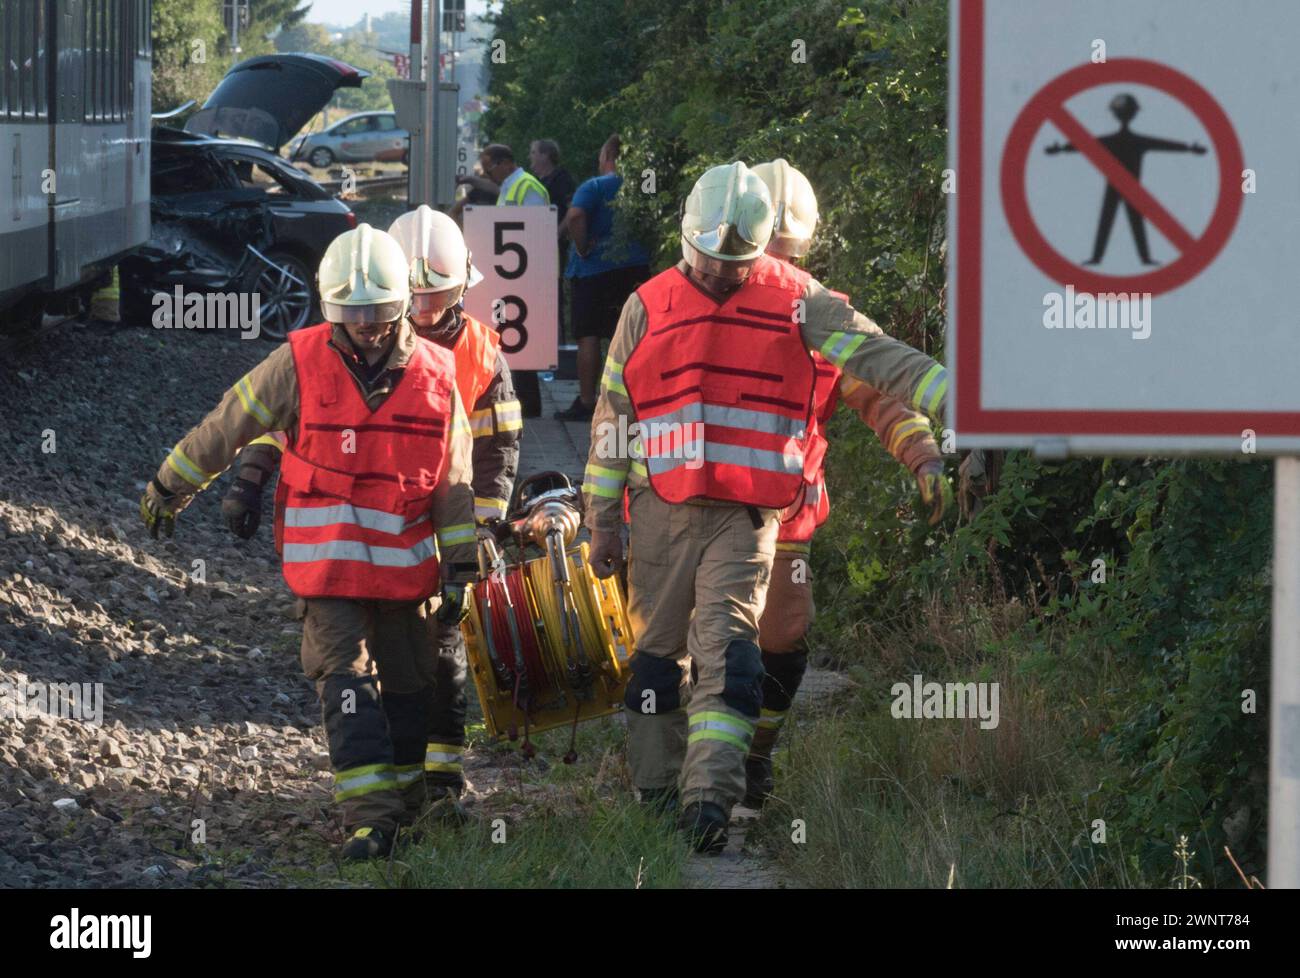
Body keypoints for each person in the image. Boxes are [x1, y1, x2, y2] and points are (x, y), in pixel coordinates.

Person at [581, 162, 951, 853]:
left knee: (749, 649)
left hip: (765, 510)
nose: (733, 274)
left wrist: (942, 428)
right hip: (666, 506)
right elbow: (615, 412)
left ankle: (722, 789)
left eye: (759, 258)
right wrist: (603, 515)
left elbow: (883, 374)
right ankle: (662, 794)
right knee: (660, 660)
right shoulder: (652, 303)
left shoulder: (808, 304)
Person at [141, 224, 478, 862]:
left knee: (408, 692)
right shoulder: (296, 361)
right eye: (353, 317)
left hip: (407, 578)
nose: (368, 328)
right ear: (330, 311)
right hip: (326, 575)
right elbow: (228, 424)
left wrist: (460, 567)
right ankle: (370, 823)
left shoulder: (438, 376)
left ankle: (404, 809)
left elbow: (452, 482)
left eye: (379, 314)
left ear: (402, 304)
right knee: (345, 685)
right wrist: (171, 484)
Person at [223, 207, 522, 815]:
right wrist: (250, 477)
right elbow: (288, 418)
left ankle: (437, 781)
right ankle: (387, 789)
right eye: (415, 296)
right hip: (365, 531)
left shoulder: (482, 356)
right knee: (370, 662)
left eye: (438, 295)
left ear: (463, 285)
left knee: (439, 654)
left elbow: (495, 452)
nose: (425, 310)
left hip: (443, 527)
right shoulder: (348, 342)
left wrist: (478, 533)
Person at [742, 158, 947, 808]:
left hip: (788, 516)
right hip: (709, 511)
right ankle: (697, 776)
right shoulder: (706, 308)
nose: (777, 268)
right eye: (770, 251)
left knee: (782, 639)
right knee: (708, 645)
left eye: (787, 253)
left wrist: (924, 458)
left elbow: (879, 393)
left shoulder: (821, 314)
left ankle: (754, 759)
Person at [554, 135, 650, 422]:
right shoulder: (644, 187)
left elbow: (574, 216)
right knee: (634, 334)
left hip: (593, 272)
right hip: (634, 268)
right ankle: (635, 399)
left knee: (589, 335)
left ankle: (586, 400)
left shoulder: (595, 186)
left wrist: (583, 248)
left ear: (608, 155)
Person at [465, 144, 550, 417]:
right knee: (513, 337)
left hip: (525, 274)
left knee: (523, 339)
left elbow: (536, 230)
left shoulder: (528, 186)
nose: (488, 174)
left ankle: (529, 403)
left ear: (505, 163)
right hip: (511, 273)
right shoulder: (510, 187)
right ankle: (520, 400)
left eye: (490, 167)